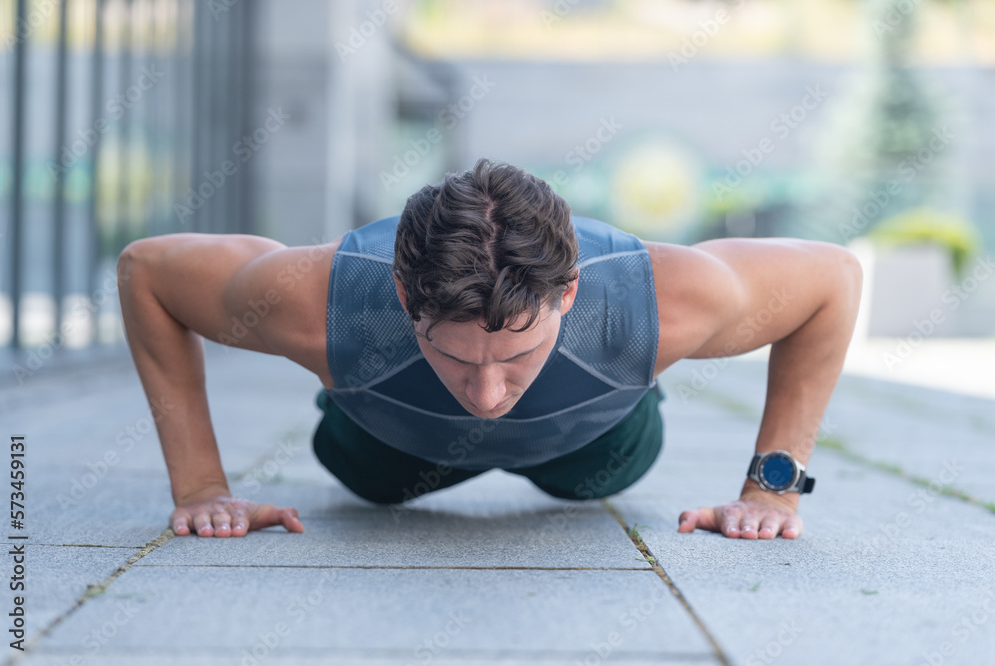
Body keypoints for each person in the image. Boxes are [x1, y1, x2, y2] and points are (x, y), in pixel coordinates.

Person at [117, 158, 862, 540]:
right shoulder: (313, 298)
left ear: (566, 295)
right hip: (384, 457)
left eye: (516, 359)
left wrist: (771, 490)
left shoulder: (667, 296)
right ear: (408, 300)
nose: (486, 397)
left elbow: (833, 279)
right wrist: (203, 490)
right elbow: (147, 271)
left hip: (594, 455)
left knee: (592, 469)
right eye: (456, 358)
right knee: (368, 463)